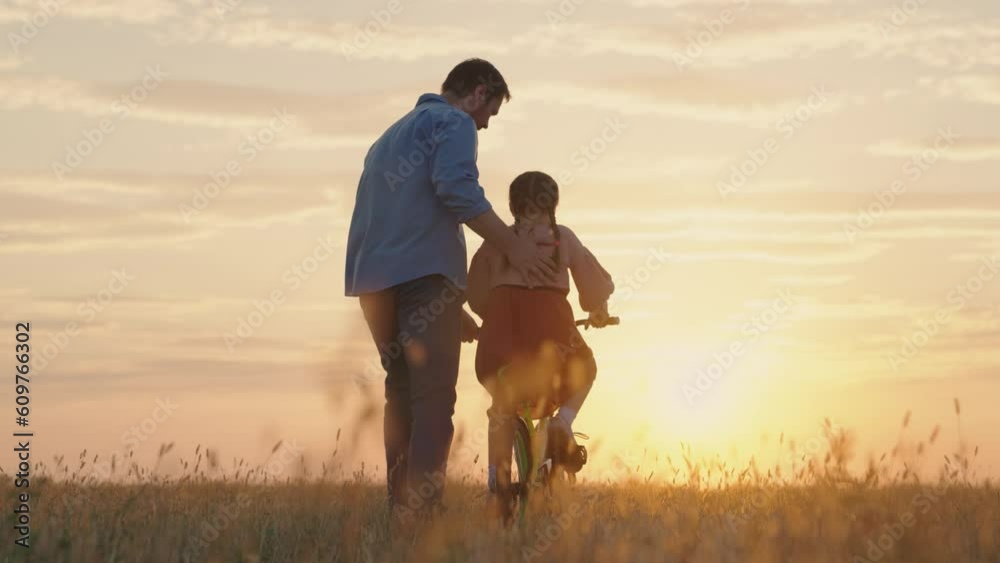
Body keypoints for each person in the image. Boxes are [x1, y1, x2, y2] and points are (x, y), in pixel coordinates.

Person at [344, 59, 557, 519]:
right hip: (422, 281)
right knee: (434, 400)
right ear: (479, 93)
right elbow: (457, 191)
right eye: (489, 113)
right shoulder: (454, 121)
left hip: (374, 283)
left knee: (399, 395)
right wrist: (513, 247)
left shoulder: (390, 136)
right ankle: (422, 520)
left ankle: (399, 513)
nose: (483, 125)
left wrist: (451, 301)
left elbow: (403, 216)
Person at [466, 170, 615, 505]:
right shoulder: (561, 238)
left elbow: (474, 292)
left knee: (501, 408)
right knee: (585, 368)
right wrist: (598, 310)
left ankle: (495, 483)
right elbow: (592, 285)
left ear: (513, 205)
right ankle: (561, 424)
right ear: (554, 202)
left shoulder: (497, 241)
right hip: (553, 343)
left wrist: (489, 318)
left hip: (498, 349)